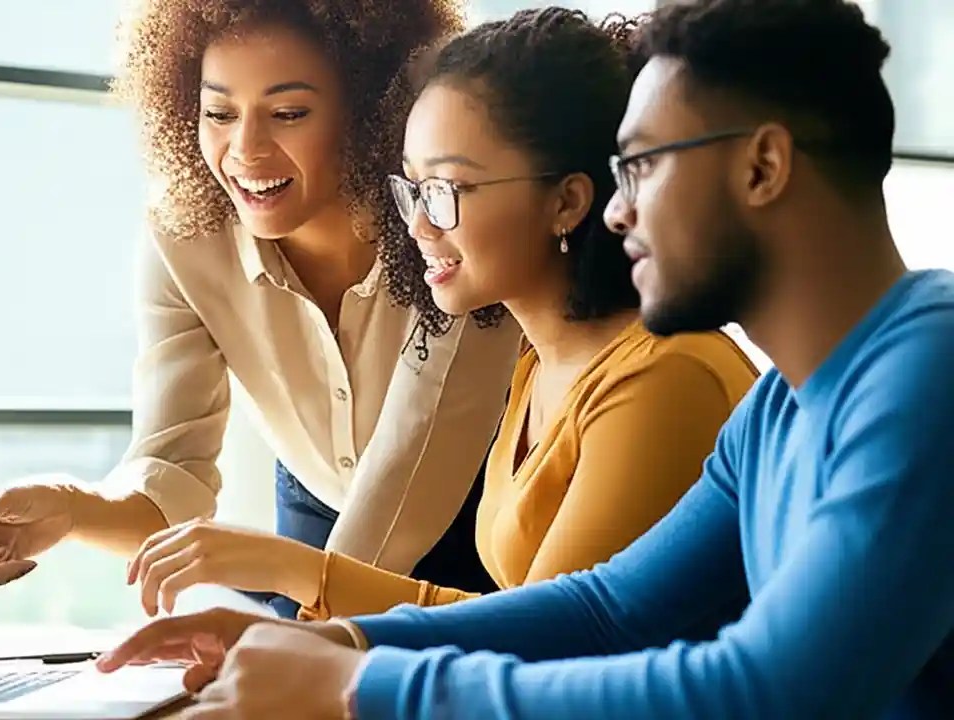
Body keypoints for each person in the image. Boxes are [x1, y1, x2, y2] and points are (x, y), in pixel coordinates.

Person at [97, 1, 954, 717]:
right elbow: (607, 608)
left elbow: (771, 687)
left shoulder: (929, 372)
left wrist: (363, 681)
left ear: (764, 166)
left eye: (645, 166)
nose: (617, 212)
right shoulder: (780, 411)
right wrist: (332, 638)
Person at [0, 0, 523, 619]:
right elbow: (171, 471)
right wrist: (70, 507)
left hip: (479, 523)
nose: (244, 149)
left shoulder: (445, 227)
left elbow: (417, 452)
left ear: (370, 110)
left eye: (289, 112)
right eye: (218, 112)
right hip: (315, 512)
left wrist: (295, 638)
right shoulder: (184, 237)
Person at [126, 8, 757, 623]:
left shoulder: (663, 380)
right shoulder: (538, 372)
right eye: (413, 189)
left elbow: (553, 638)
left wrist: (296, 578)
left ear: (567, 201)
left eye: (448, 191)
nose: (419, 225)